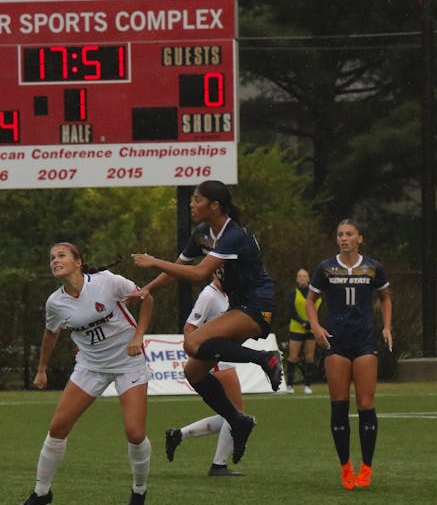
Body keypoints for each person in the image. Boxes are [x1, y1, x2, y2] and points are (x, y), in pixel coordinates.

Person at [128, 180, 282, 465]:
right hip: (239, 305)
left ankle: (266, 359)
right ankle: (238, 421)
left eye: (197, 199)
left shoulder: (234, 234)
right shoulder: (202, 233)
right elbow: (179, 268)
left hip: (258, 305)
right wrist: (148, 289)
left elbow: (199, 274)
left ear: (215, 205)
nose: (192, 204)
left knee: (192, 343)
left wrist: (154, 261)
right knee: (193, 372)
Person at [12, 242, 154, 505]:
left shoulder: (107, 282)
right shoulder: (55, 302)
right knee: (57, 428)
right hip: (90, 367)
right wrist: (41, 369)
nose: (55, 260)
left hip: (128, 362)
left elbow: (146, 298)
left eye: (61, 255)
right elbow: (51, 334)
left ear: (78, 262)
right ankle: (41, 492)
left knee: (135, 433)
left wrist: (139, 336)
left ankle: (139, 491)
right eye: (52, 257)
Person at [305, 219, 392, 491]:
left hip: (364, 341)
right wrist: (316, 326)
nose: (344, 238)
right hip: (336, 342)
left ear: (359, 239)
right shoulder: (326, 267)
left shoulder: (373, 267)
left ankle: (366, 466)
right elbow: (310, 300)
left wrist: (387, 326)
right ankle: (345, 466)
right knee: (339, 404)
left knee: (366, 402)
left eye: (349, 234)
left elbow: (385, 297)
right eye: (340, 234)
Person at [164, 277, 247, 476]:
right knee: (236, 413)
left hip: (222, 355)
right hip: (215, 358)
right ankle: (219, 465)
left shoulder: (226, 294)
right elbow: (190, 327)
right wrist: (200, 354)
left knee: (230, 413)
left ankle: (178, 435)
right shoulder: (209, 295)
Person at [285, 268, 322, 394]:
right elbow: (291, 311)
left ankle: (307, 385)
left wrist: (312, 322)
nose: (302, 278)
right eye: (299, 276)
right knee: (293, 356)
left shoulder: (315, 294)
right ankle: (290, 385)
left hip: (311, 329)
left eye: (304, 276)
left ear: (309, 278)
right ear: (297, 279)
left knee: (309, 357)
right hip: (296, 328)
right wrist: (302, 322)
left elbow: (317, 309)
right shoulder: (293, 293)